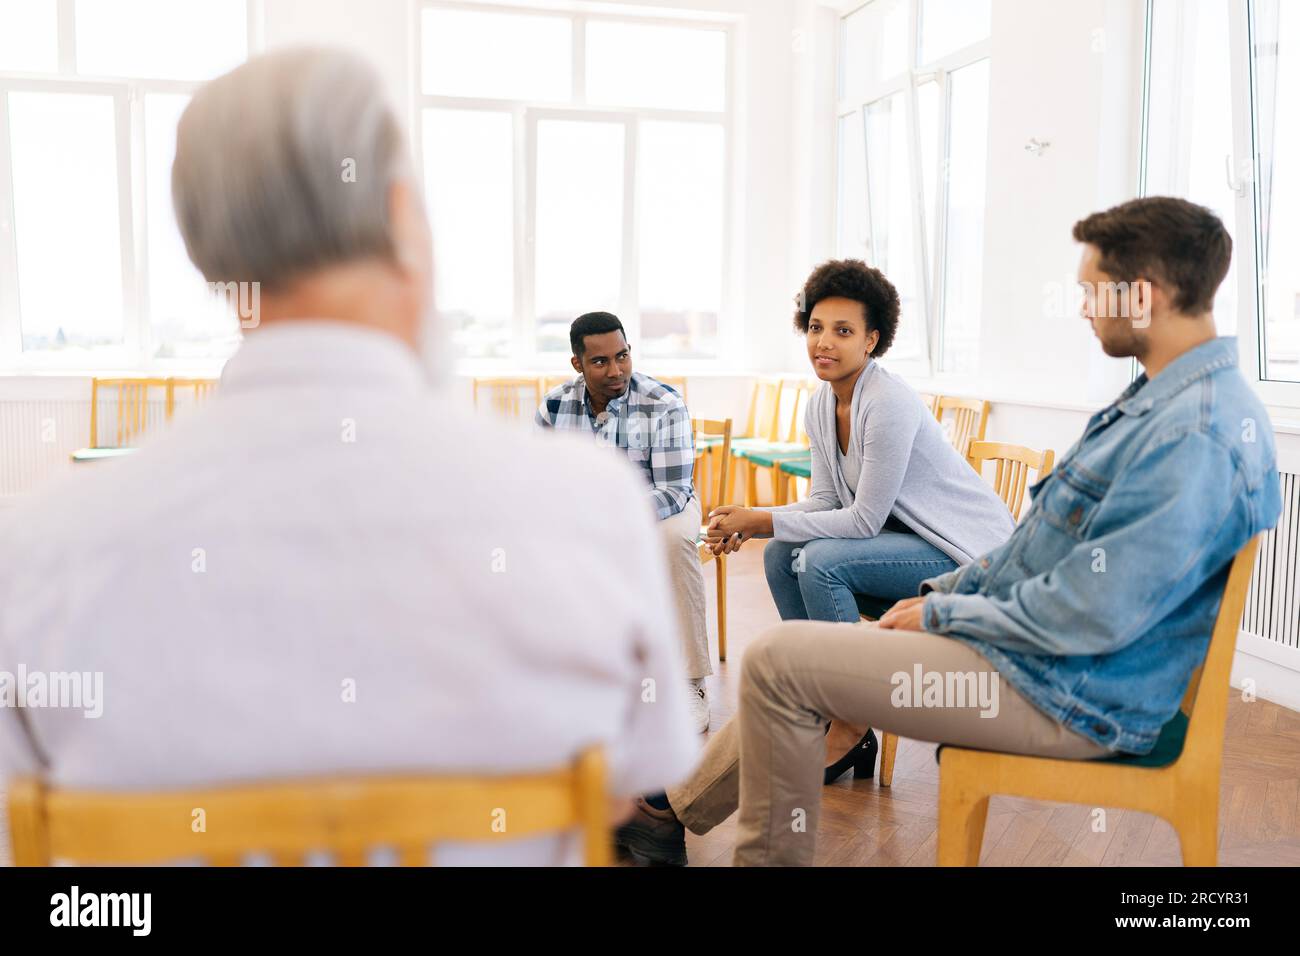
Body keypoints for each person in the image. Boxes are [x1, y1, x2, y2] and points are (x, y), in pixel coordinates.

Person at [0, 48, 697, 867]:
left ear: (205, 258)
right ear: (404, 219)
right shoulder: (589, 506)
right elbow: (626, 789)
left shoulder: (38, 549)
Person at [617, 196, 1281, 866]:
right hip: (1035, 660)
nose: (1081, 307)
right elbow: (1032, 553)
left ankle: (674, 813)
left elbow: (1097, 608)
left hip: (1070, 694)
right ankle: (666, 814)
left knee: (778, 661)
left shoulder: (1194, 429)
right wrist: (937, 597)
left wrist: (947, 613)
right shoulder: (1155, 405)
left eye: (1091, 291)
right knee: (787, 656)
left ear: (1145, 294)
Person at [537, 313, 713, 733]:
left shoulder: (663, 404)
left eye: (623, 356)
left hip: (661, 506)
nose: (616, 370)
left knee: (672, 542)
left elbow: (673, 491)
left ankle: (690, 681)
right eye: (600, 362)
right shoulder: (554, 407)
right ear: (578, 363)